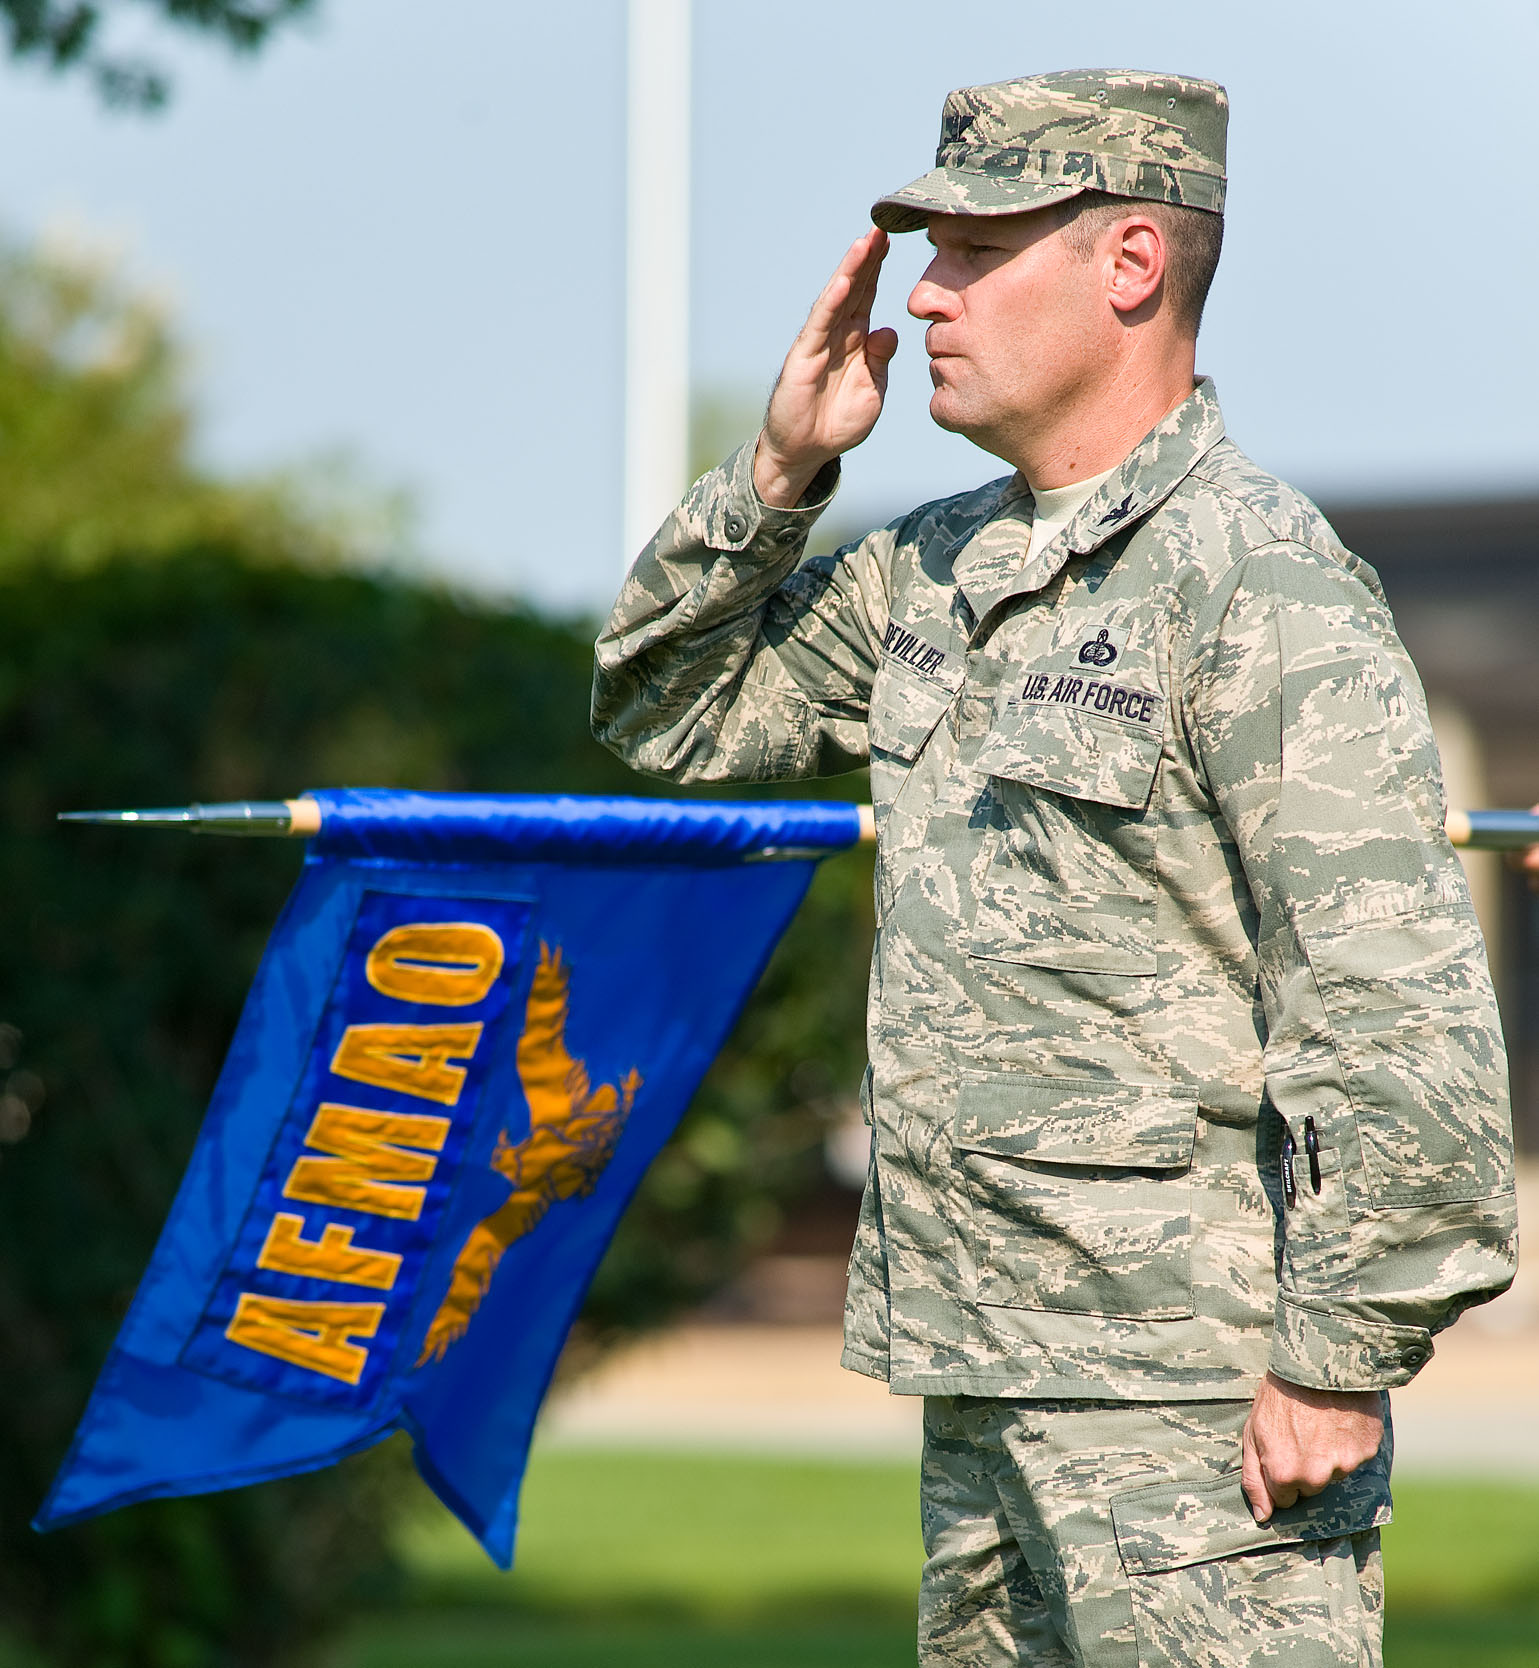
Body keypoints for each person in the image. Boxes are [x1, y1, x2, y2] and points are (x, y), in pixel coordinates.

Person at [592, 69, 1518, 1666]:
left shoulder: (1262, 582)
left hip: (1201, 1414)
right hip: (984, 1376)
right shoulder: (936, 571)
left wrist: (1337, 1355)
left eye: (971, 250)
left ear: (1132, 266)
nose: (926, 297)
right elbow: (671, 718)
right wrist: (773, 486)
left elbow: (1395, 1005)